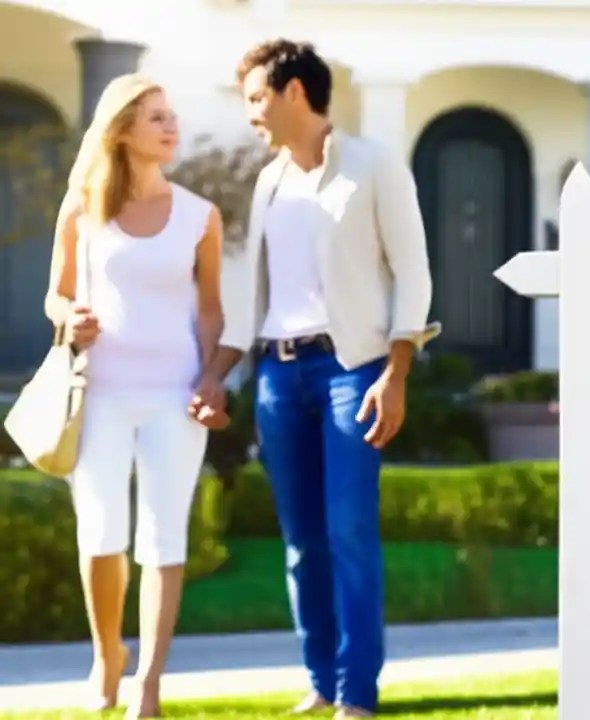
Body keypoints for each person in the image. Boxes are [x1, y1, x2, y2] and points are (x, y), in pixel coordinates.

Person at [198, 39, 433, 718]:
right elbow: (259, 294)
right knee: (302, 541)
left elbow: (414, 274)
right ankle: (323, 682)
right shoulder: (269, 180)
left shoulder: (373, 166)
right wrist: (224, 373)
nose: (251, 115)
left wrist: (396, 372)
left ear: (294, 91)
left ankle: (357, 691)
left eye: (256, 98)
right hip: (279, 375)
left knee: (350, 531)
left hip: (350, 371)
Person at [44, 74, 228, 718]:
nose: (170, 126)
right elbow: (56, 295)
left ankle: (149, 682)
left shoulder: (200, 216)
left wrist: (211, 378)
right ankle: (106, 657)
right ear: (121, 130)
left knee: (163, 540)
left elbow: (210, 311)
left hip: (174, 397)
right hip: (99, 395)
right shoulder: (82, 207)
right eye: (155, 118)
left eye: (171, 115)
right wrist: (70, 319)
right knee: (99, 535)